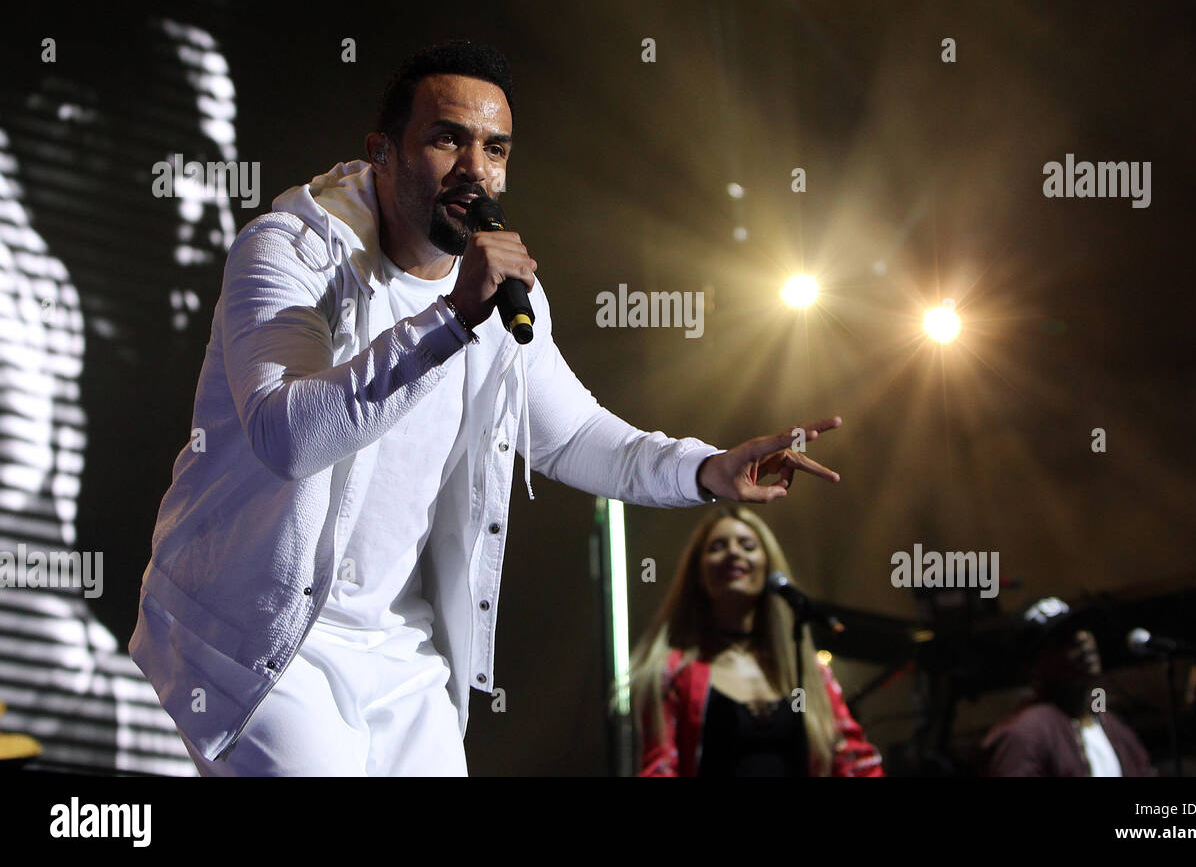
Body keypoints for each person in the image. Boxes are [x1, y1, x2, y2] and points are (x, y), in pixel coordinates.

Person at [129, 40, 843, 776]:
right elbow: (287, 437)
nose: (476, 168)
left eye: (496, 149)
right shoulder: (290, 252)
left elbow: (575, 438)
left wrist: (707, 469)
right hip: (264, 635)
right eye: (447, 139)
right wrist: (451, 318)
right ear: (383, 152)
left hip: (403, 646)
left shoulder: (504, 298)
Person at [630, 504, 883, 776]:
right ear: (698, 575)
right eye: (717, 547)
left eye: (748, 545)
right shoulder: (672, 674)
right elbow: (661, 767)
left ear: (768, 567)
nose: (734, 552)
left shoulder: (807, 671)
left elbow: (854, 759)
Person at [980, 597, 1155, 777]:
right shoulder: (1024, 733)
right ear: (1033, 664)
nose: (1082, 638)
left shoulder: (1107, 721)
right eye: (1063, 638)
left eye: (1082, 628)